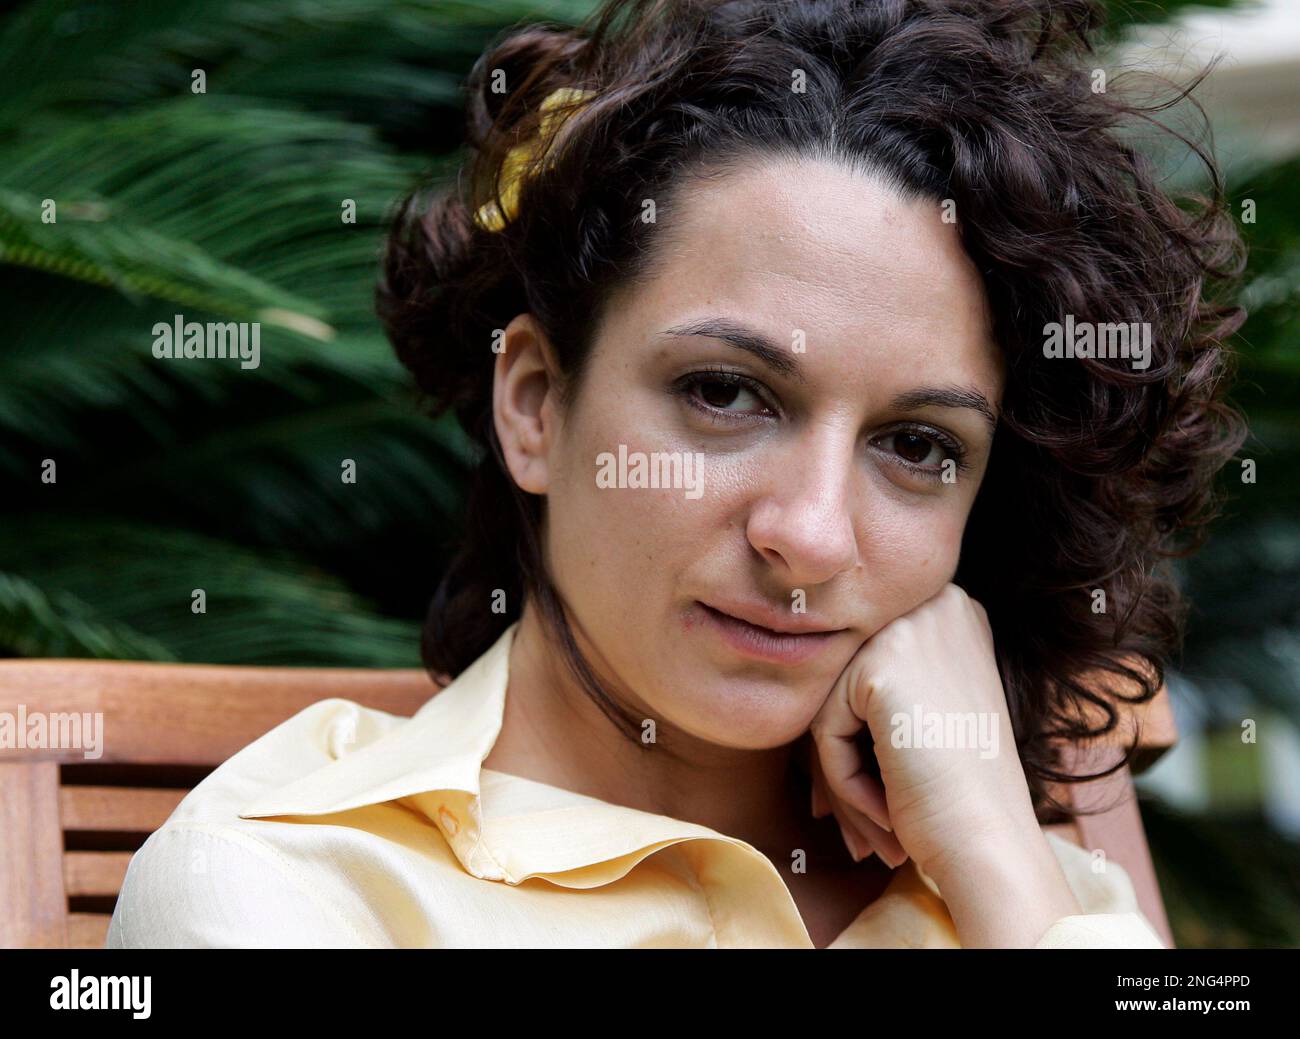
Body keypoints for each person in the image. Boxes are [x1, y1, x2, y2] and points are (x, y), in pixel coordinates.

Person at [107, 0, 1245, 949]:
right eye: (724, 392)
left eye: (916, 446)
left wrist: (996, 853)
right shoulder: (289, 891)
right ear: (537, 403)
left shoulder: (1029, 894)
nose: (808, 535)